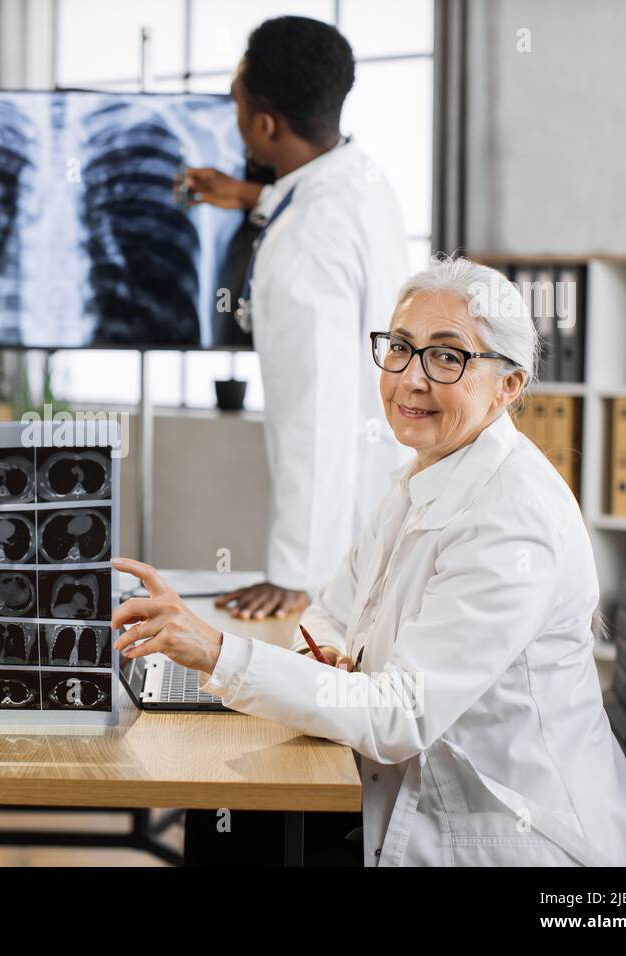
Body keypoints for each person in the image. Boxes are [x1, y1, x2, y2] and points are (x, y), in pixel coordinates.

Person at [113, 258, 626, 866]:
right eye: (400, 346)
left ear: (509, 386)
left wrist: (216, 651)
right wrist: (339, 660)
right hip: (412, 791)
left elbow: (399, 714)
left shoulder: (511, 521)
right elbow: (329, 614)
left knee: (238, 829)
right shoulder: (425, 474)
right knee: (229, 823)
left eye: (448, 357)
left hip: (517, 841)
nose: (410, 378)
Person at [185, 16, 412, 622]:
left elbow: (316, 410)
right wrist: (254, 196)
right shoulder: (364, 182)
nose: (234, 119)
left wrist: (293, 574)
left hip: (335, 551)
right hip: (380, 499)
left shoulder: (304, 239)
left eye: (236, 103)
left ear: (264, 123)